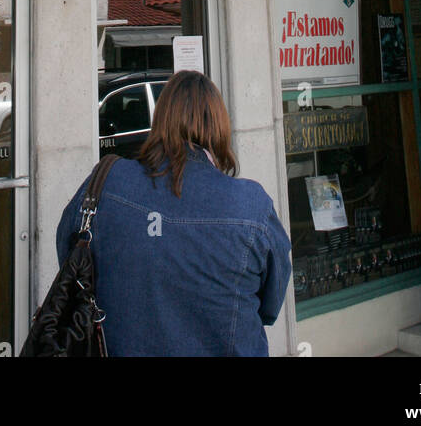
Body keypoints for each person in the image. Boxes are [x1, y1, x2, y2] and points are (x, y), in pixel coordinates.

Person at [55, 69, 292, 357]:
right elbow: (270, 306)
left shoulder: (107, 180)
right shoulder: (251, 206)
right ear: (219, 127)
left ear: (160, 119)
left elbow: (70, 260)